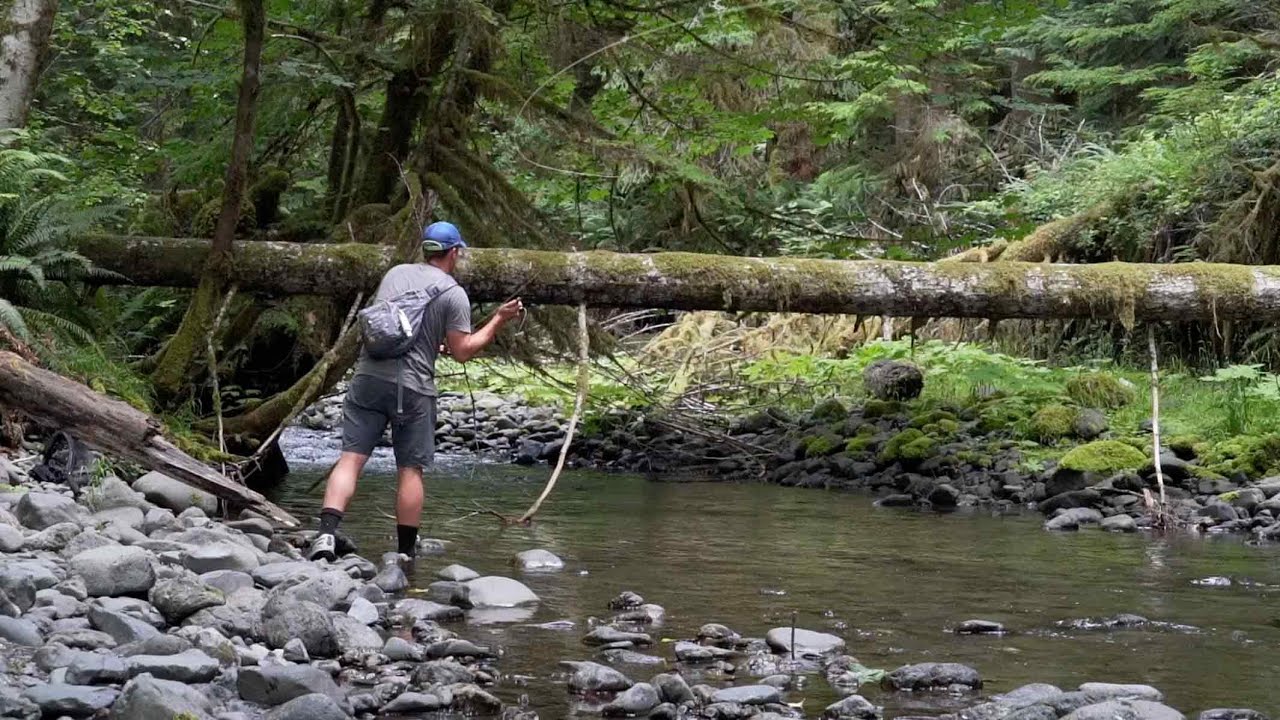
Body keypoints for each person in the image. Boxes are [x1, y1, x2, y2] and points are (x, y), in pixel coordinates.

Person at [307, 221, 523, 561]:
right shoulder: (453, 294)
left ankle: (325, 535)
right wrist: (497, 320)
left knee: (351, 459)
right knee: (410, 469)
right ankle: (405, 552)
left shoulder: (395, 275)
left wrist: (432, 341)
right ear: (454, 252)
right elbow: (463, 350)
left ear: (426, 250)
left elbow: (393, 326)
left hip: (368, 378)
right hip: (413, 389)